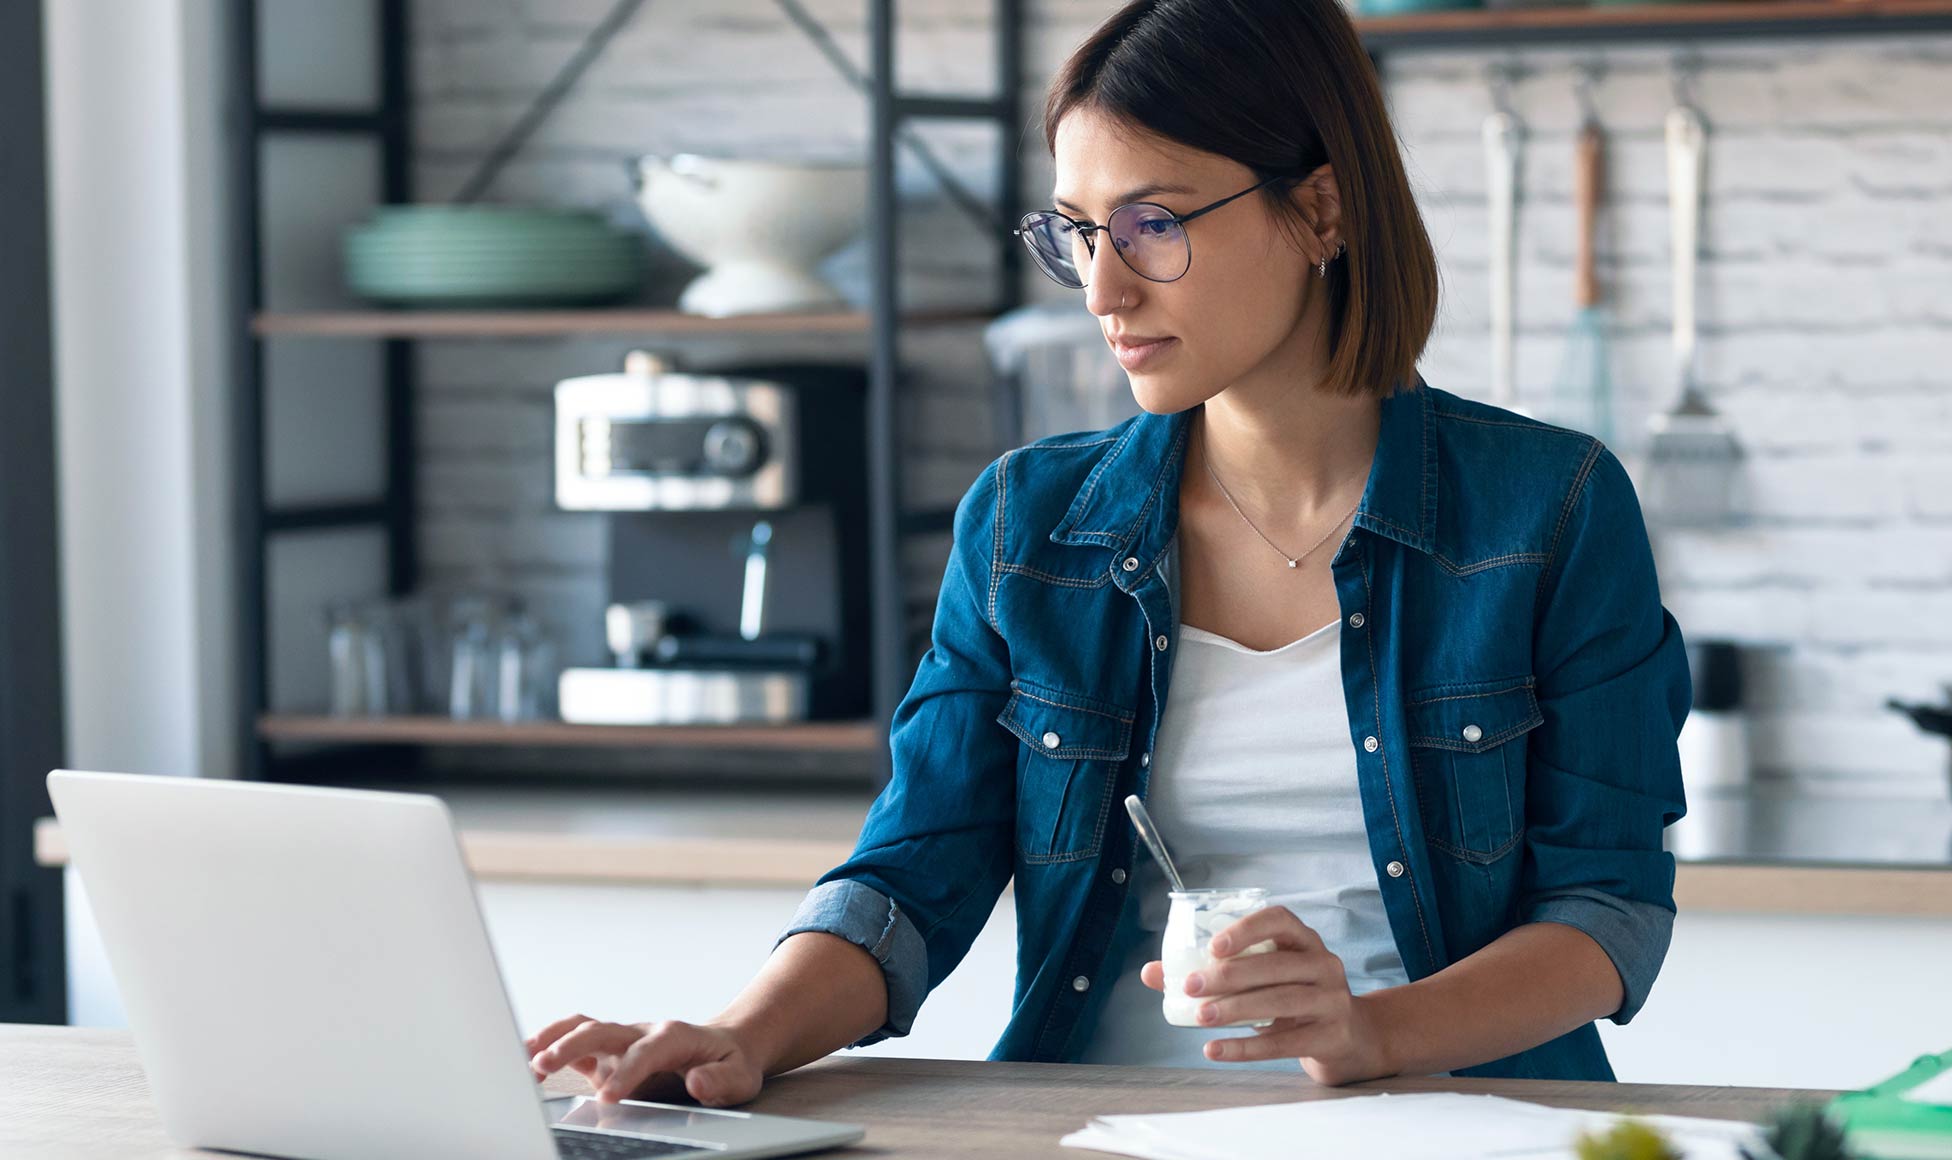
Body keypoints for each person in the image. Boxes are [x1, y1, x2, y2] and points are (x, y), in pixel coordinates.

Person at [526, 0, 1690, 1106]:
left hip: (1459, 1124)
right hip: (1096, 1123)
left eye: (1152, 225)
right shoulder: (1025, 525)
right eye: (1079, 232)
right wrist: (744, 1033)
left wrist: (1373, 1031)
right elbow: (913, 874)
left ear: (1321, 211)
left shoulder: (1550, 510)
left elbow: (1607, 908)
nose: (1101, 288)